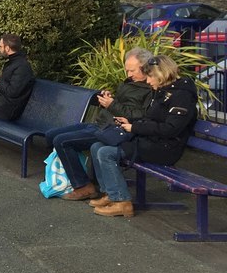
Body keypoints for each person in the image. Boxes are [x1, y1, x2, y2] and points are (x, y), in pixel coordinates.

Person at [89, 55, 198, 218]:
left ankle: (122, 202)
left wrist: (135, 127)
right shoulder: (163, 91)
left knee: (105, 153)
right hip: (151, 141)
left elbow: (170, 129)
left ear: (162, 74)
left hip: (166, 148)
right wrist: (130, 121)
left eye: (150, 76)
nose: (147, 81)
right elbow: (150, 118)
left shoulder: (182, 96)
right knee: (96, 146)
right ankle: (111, 194)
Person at [43, 47, 154, 201]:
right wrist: (108, 99)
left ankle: (83, 186)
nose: (128, 74)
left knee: (61, 141)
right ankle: (75, 176)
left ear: (145, 68)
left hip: (113, 130)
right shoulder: (130, 82)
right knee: (51, 135)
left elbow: (139, 115)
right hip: (101, 123)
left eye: (132, 70)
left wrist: (112, 105)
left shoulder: (150, 88)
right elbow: (122, 105)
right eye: (127, 70)